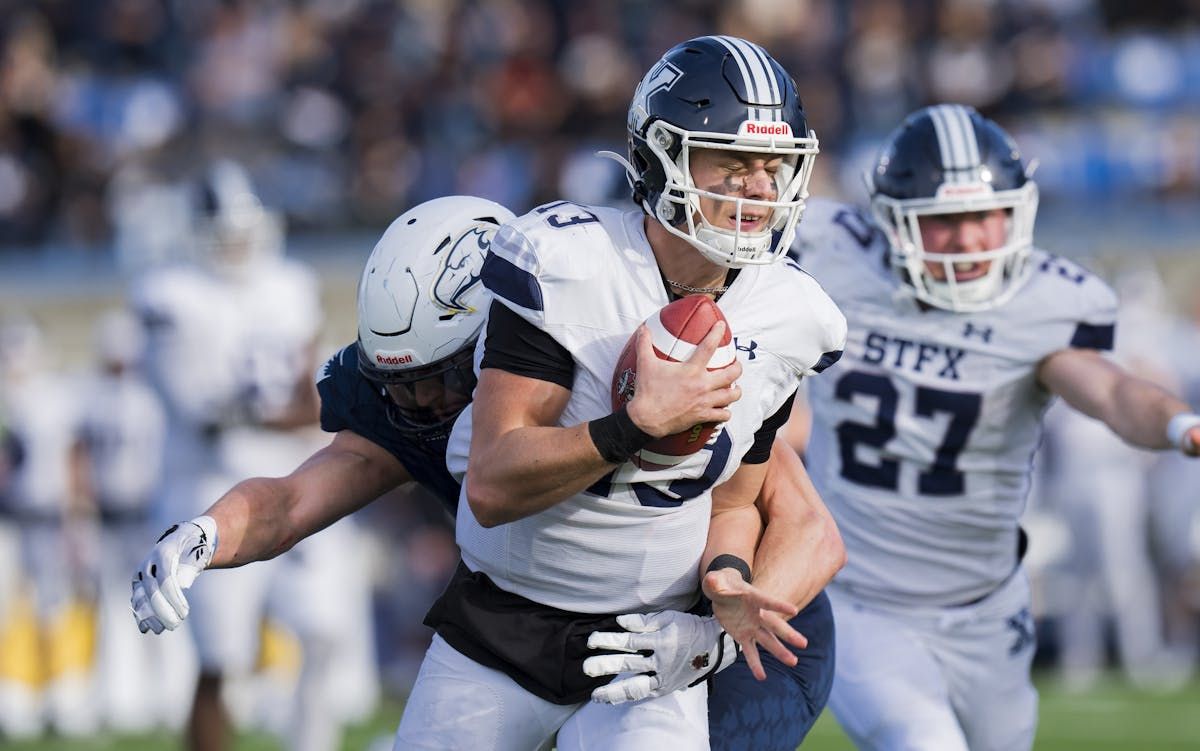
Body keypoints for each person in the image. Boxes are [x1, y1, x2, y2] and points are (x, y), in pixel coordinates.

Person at [397, 35, 846, 750]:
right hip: (497, 634)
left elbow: (732, 499)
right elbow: (492, 480)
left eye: (773, 165)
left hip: (645, 646)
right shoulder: (568, 262)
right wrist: (633, 426)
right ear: (659, 156)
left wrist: (724, 585)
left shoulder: (792, 312)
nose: (759, 188)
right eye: (731, 161)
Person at [785, 104, 1200, 749]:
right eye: (944, 222)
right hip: (864, 599)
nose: (971, 240)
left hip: (987, 608)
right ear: (894, 224)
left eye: (984, 216)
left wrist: (1180, 426)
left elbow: (1113, 391)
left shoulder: (1045, 303)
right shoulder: (835, 258)